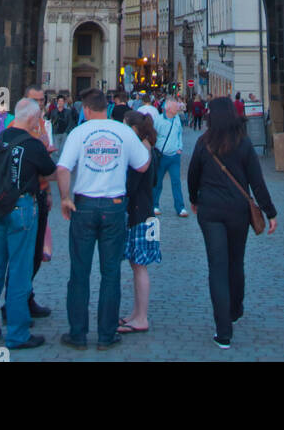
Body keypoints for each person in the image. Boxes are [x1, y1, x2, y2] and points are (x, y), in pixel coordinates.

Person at [56, 87, 150, 351]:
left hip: (83, 206)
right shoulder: (122, 132)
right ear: (106, 108)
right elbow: (143, 165)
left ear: (85, 109)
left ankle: (78, 334)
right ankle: (107, 335)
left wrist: (65, 198)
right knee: (111, 273)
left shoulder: (79, 132)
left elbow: (62, 169)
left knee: (79, 272)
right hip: (114, 206)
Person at [188, 96, 277, 350]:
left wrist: (194, 199)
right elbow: (256, 181)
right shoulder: (245, 144)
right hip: (238, 211)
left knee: (217, 266)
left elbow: (193, 176)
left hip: (211, 211)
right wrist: (270, 212)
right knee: (236, 261)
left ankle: (223, 330)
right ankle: (235, 308)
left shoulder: (203, 143)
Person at [0, 97, 57, 351]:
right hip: (21, 209)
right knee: (20, 273)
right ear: (34, 119)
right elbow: (51, 171)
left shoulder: (0, 139)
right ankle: (17, 334)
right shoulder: (33, 145)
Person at [118, 110, 161, 333]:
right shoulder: (148, 148)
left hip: (138, 213)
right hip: (144, 211)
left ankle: (141, 317)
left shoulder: (140, 152)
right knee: (137, 267)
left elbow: (131, 186)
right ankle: (136, 313)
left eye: (125, 126)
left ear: (133, 129)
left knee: (140, 267)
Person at [23, 85, 54, 318]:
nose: (40, 104)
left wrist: (51, 192)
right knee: (23, 252)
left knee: (35, 253)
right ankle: (15, 303)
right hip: (25, 196)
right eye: (35, 100)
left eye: (42, 100)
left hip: (41, 193)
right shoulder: (20, 128)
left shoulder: (42, 124)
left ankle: (27, 296)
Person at [153, 97, 188, 216]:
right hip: (161, 155)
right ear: (168, 108)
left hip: (174, 156)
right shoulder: (158, 120)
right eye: (175, 107)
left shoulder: (177, 119)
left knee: (176, 182)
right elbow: (154, 135)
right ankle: (154, 205)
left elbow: (179, 134)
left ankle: (180, 207)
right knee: (157, 182)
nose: (177, 108)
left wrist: (180, 147)